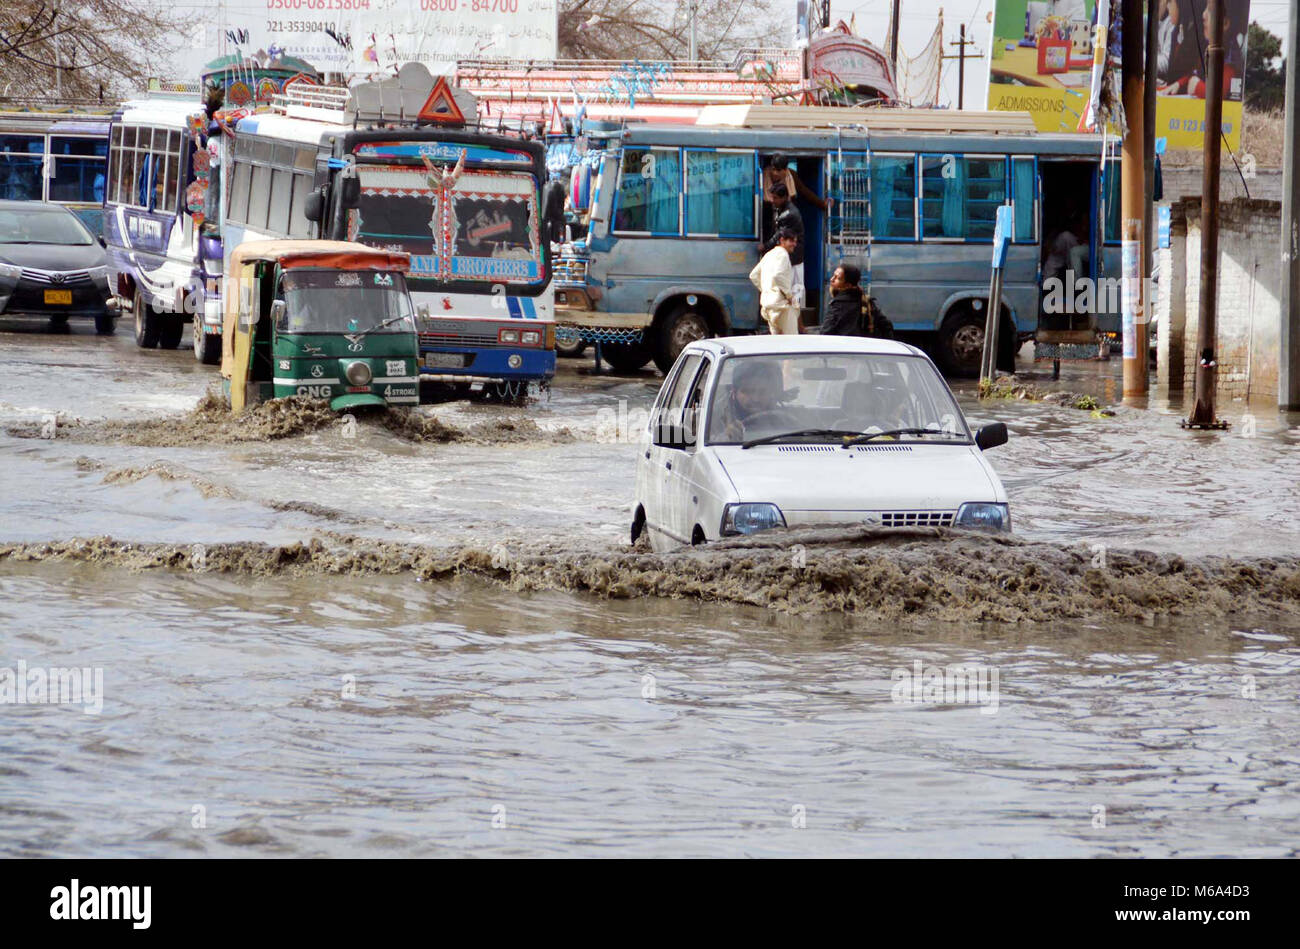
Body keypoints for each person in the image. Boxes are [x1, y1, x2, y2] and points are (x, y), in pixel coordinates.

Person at [713, 359, 791, 442]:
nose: (755, 398)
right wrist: (726, 436)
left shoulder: (785, 418)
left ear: (771, 392)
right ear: (734, 392)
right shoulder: (717, 418)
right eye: (747, 392)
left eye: (762, 392)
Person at [749, 227, 800, 335]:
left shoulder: (769, 254)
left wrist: (767, 289)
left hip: (767, 305)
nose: (794, 244)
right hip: (781, 306)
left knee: (776, 343)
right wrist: (789, 295)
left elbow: (753, 275)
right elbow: (778, 275)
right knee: (792, 342)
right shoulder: (783, 254)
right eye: (791, 241)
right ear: (782, 240)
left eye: (795, 241)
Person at [762, 185, 805, 309]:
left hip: (793, 258)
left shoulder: (790, 214)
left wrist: (765, 246)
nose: (773, 201)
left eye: (776, 198)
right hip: (787, 257)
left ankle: (798, 326)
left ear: (785, 197)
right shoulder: (780, 209)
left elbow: (780, 234)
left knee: (794, 292)